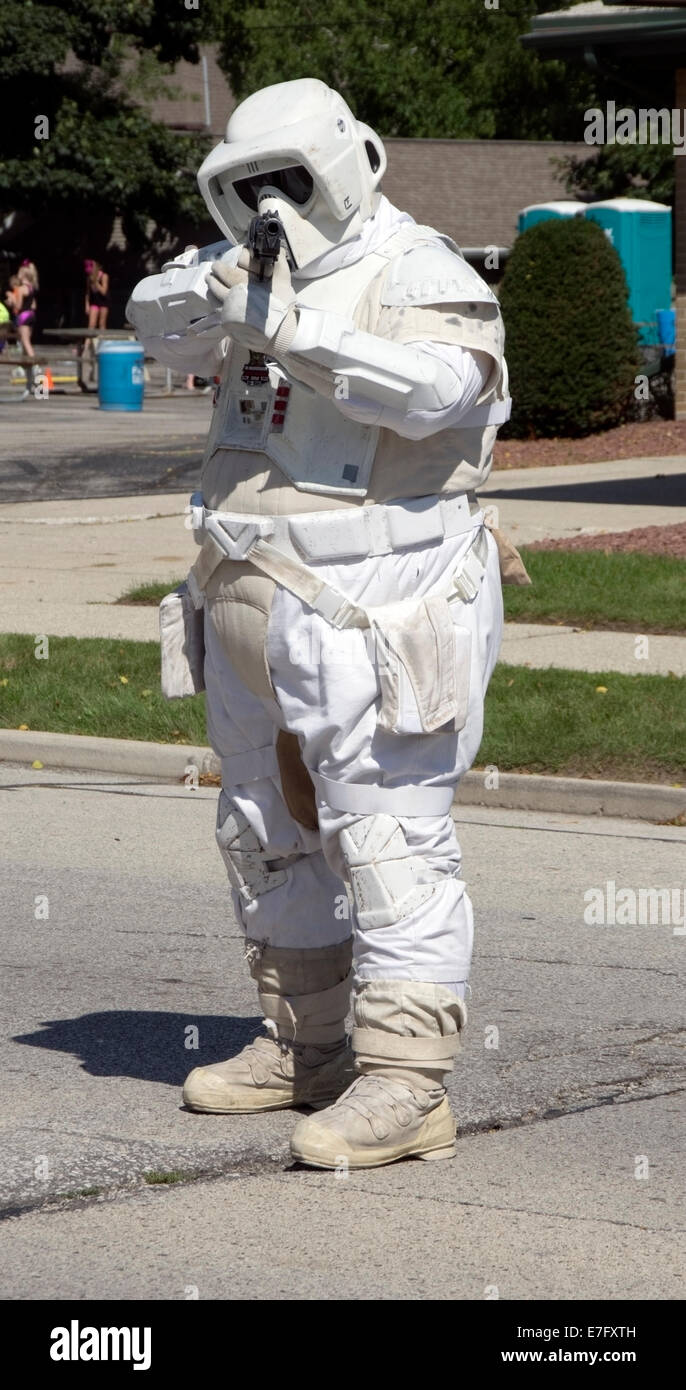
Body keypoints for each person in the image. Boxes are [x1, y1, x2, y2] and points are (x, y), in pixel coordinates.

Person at [127, 78, 516, 1170]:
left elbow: (445, 392)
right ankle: (304, 1042)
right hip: (247, 587)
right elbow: (153, 321)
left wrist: (298, 329)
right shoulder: (249, 271)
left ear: (355, 159)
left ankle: (406, 1079)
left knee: (386, 834)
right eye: (246, 188)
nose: (270, 204)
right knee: (264, 826)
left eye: (288, 180)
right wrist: (226, 293)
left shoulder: (420, 267)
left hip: (378, 599)